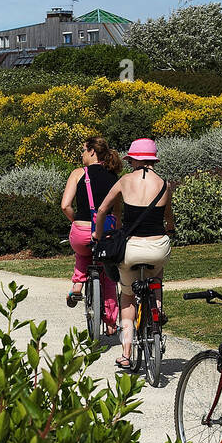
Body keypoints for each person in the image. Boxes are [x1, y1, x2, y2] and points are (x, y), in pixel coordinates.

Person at [91, 138, 174, 371]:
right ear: (153, 159)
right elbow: (168, 216)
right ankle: (157, 312)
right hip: (157, 246)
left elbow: (102, 210)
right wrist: (171, 229)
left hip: (131, 248)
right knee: (156, 276)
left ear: (133, 159)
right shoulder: (165, 184)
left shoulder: (124, 181)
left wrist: (98, 236)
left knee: (127, 295)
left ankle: (126, 352)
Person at [60, 135, 121, 333]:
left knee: (83, 251)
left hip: (81, 229)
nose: (81, 154)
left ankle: (77, 285)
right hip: (106, 232)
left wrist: (76, 221)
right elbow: (118, 212)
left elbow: (65, 206)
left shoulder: (78, 173)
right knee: (108, 272)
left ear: (92, 151)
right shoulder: (114, 177)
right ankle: (111, 322)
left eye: (83, 150)